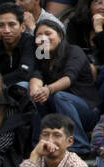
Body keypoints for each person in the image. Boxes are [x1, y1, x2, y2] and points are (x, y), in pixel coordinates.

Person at [28, 15, 100, 155]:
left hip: (86, 109)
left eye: (48, 33)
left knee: (59, 96)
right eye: (39, 35)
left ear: (60, 35)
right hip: (58, 111)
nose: (43, 38)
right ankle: (38, 144)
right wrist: (35, 90)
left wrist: (48, 89)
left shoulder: (73, 51)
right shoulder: (42, 54)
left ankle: (80, 144)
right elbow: (37, 74)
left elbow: (69, 78)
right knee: (37, 97)